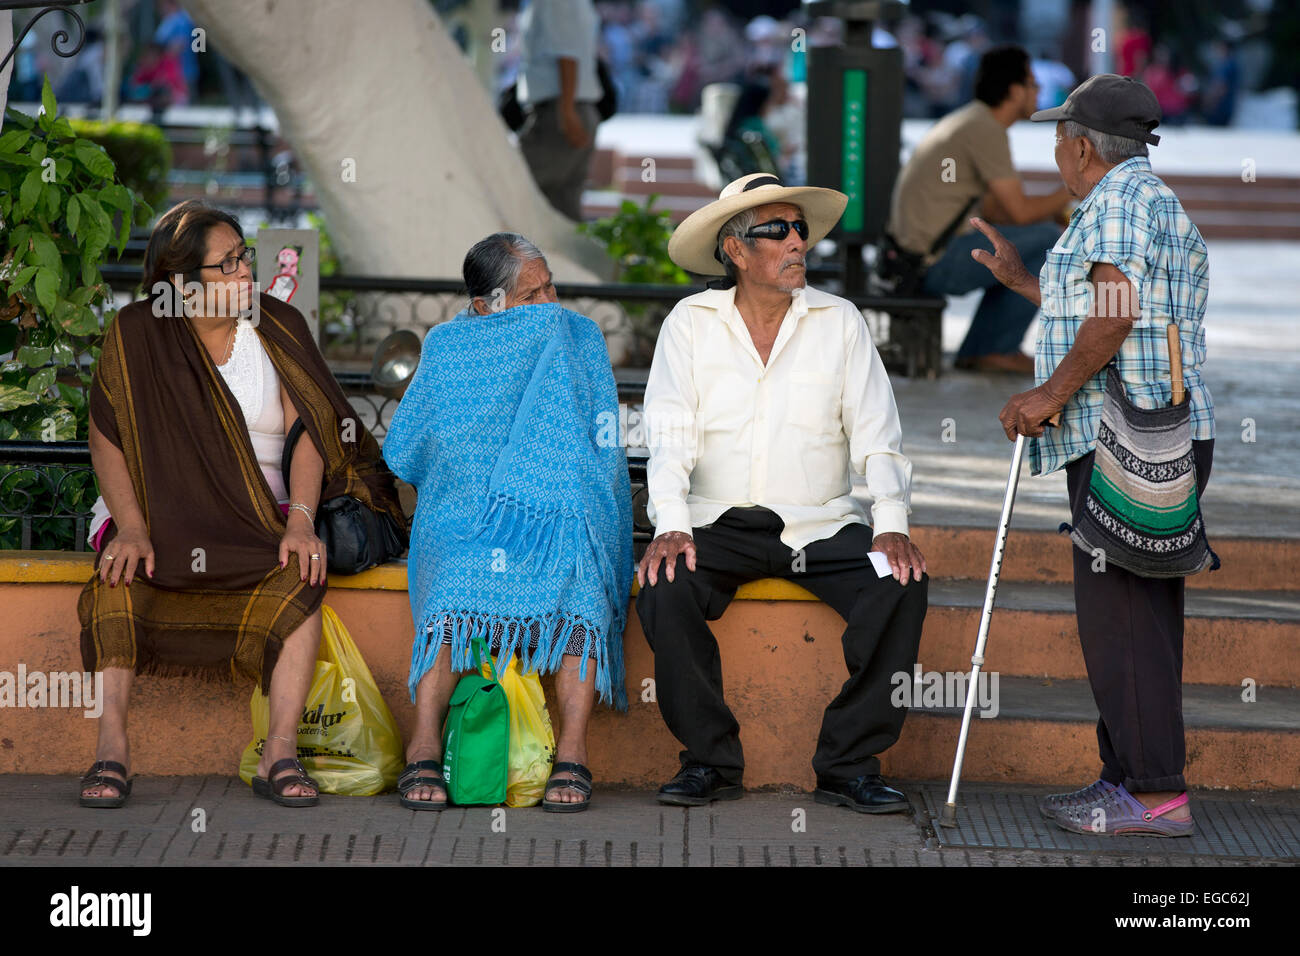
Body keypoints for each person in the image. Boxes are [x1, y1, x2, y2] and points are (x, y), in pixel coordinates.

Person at [77, 201, 407, 809]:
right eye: (226, 265)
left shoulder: (274, 324)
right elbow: (107, 436)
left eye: (244, 257)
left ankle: (280, 751)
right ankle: (112, 749)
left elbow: (309, 429)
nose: (244, 273)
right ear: (181, 284)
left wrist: (304, 521)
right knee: (120, 581)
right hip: (153, 515)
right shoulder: (138, 333)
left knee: (300, 578)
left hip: (261, 515)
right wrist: (129, 527)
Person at [636, 174, 929, 812]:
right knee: (663, 589)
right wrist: (671, 523)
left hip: (820, 526)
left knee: (900, 580)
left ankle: (848, 764)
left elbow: (878, 435)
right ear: (735, 251)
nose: (798, 241)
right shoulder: (691, 323)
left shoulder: (840, 321)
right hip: (716, 524)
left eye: (801, 228)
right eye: (778, 230)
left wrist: (891, 520)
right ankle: (709, 761)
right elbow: (669, 437)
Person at [972, 74, 1213, 837]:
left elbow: (1114, 313)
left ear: (1081, 147)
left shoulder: (1116, 202)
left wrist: (1046, 393)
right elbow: (1109, 306)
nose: (1054, 152)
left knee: (1125, 622)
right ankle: (1129, 780)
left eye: (1057, 139)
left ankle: (1152, 793)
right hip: (1148, 429)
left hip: (1127, 435)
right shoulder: (1141, 199)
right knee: (1133, 617)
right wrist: (1020, 280)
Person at [383, 233, 632, 812]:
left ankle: (572, 753)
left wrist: (560, 493)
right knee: (452, 586)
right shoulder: (448, 346)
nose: (548, 305)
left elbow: (601, 441)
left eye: (551, 288)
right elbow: (411, 447)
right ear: (485, 304)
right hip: (468, 517)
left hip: (563, 517)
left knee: (581, 592)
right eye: (531, 294)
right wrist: (474, 475)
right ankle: (423, 744)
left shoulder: (578, 335)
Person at [885, 45, 1072, 374]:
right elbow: (1019, 213)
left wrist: (1048, 209)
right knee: (1045, 238)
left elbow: (998, 211)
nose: (1039, 89)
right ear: (1014, 90)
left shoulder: (973, 120)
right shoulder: (984, 129)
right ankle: (995, 348)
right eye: (1032, 82)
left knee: (1031, 239)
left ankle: (981, 350)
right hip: (931, 262)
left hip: (913, 257)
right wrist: (1075, 185)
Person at [516, 0, 602, 220]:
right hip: (569, 109)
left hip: (559, 113)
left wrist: (567, 112)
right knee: (562, 210)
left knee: (515, 194)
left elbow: (567, 54)